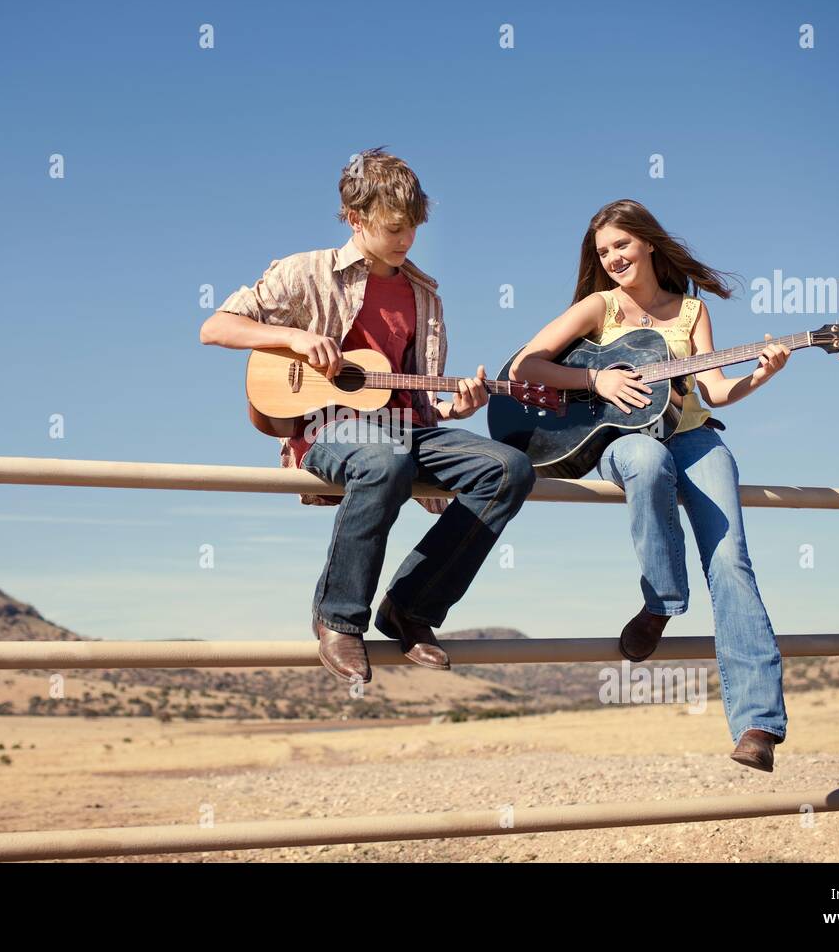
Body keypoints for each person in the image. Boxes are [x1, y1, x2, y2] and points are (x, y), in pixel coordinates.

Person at [200, 147, 535, 687]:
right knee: (384, 460)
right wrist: (294, 336)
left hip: (404, 430)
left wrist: (459, 407)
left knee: (509, 469)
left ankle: (412, 608)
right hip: (328, 429)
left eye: (413, 228)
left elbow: (411, 398)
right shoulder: (303, 271)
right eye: (393, 228)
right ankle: (338, 618)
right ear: (356, 219)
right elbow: (215, 327)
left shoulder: (424, 295)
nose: (405, 240)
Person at [507, 198, 791, 772]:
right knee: (645, 460)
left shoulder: (690, 313)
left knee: (731, 559)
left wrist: (760, 374)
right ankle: (661, 603)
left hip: (693, 437)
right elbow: (525, 366)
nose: (612, 258)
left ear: (649, 243)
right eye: (602, 250)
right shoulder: (599, 307)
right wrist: (596, 378)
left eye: (621, 245)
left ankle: (758, 724)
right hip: (625, 443)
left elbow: (714, 391)